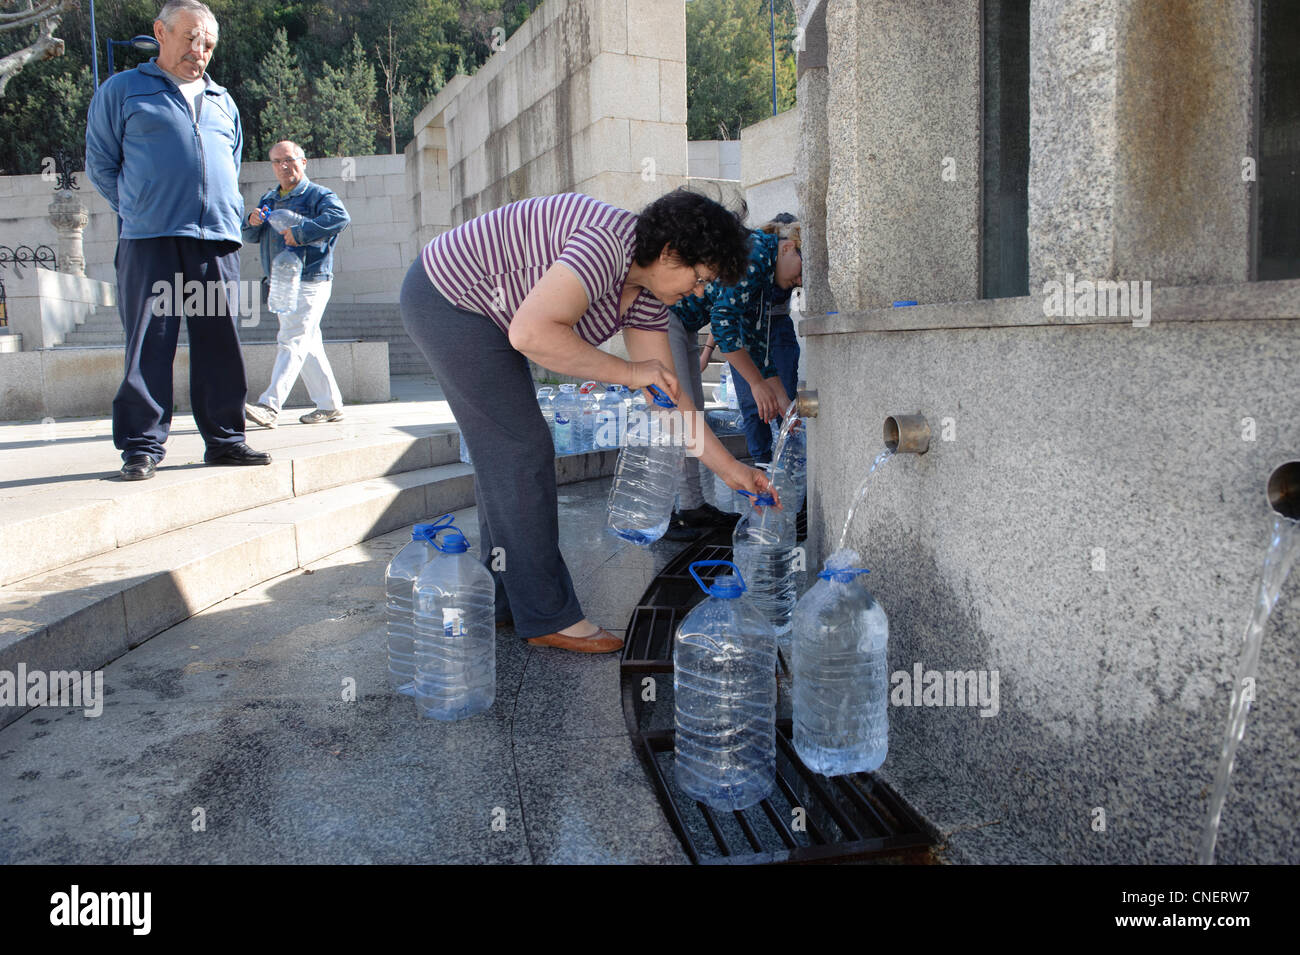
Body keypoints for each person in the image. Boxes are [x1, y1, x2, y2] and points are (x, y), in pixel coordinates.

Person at [399, 189, 774, 654]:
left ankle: (503, 599)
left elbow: (670, 403)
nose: (698, 292)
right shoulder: (606, 245)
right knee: (519, 448)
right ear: (669, 252)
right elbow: (532, 333)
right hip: (449, 297)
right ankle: (547, 615)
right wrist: (631, 373)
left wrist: (734, 471)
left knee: (507, 450)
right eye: (698, 277)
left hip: (490, 314)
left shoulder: (647, 299)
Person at [84, 0, 269, 480]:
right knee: (150, 339)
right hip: (151, 238)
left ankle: (226, 439)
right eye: (189, 38)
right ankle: (142, 446)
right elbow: (101, 163)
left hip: (214, 239)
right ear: (160, 33)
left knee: (219, 341)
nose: (199, 50)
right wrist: (138, 207)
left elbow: (231, 157)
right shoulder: (122, 90)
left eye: (207, 43)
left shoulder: (222, 99)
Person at [673, 216, 803, 467]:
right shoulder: (756, 256)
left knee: (693, 414)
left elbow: (757, 344)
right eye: (801, 272)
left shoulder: (765, 270)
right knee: (684, 415)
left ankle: (693, 504)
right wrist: (755, 383)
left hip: (685, 324)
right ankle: (685, 503)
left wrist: (784, 402)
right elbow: (723, 324)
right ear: (787, 247)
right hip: (668, 318)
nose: (799, 282)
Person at [242, 140, 350, 428]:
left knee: (291, 338)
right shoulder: (269, 198)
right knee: (307, 342)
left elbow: (340, 218)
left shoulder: (319, 195)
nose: (283, 166)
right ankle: (330, 405)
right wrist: (251, 221)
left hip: (311, 278)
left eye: (289, 159)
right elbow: (250, 237)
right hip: (280, 281)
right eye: (277, 161)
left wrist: (301, 232)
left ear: (303, 162)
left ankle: (270, 405)